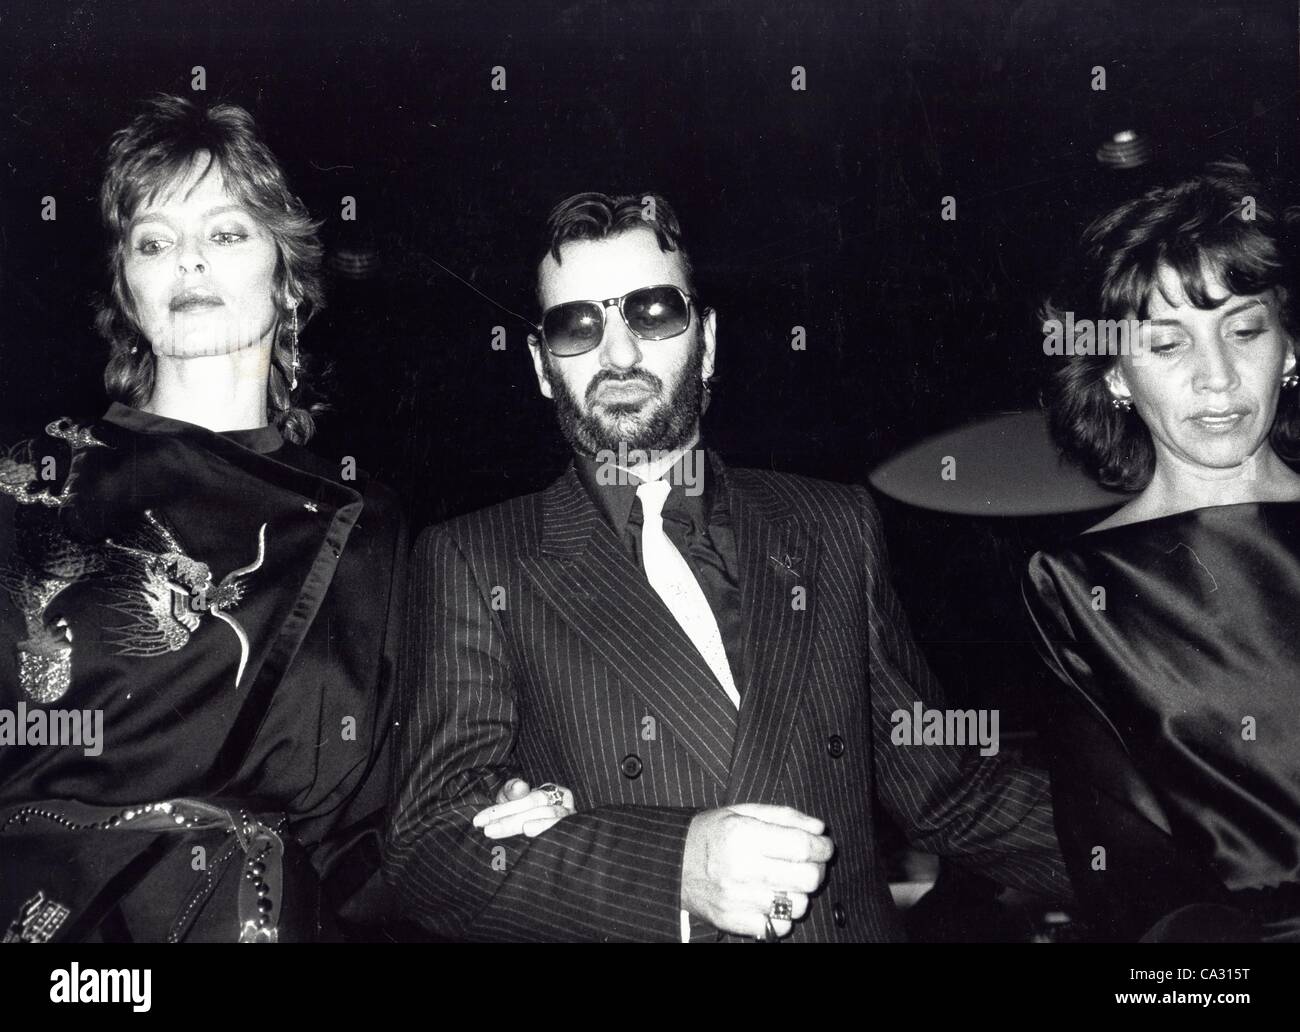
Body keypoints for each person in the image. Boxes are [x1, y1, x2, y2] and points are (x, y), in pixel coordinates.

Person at [384, 191, 1069, 942]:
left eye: (652, 312)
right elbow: (428, 845)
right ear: (542, 367)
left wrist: (1176, 846)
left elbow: (949, 789)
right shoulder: (475, 559)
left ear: (706, 342)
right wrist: (674, 868)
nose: (618, 354)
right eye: (576, 324)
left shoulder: (835, 525)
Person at [0, 95, 406, 942]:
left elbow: (383, 829)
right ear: (127, 285)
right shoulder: (30, 485)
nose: (188, 262)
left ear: (286, 275)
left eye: (225, 233)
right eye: (154, 241)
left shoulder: (371, 527)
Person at [1025, 160, 1300, 942]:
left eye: (1244, 330)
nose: (1218, 380)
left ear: (1289, 346)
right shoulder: (1076, 587)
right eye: (1167, 344)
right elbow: (1128, 861)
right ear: (1114, 373)